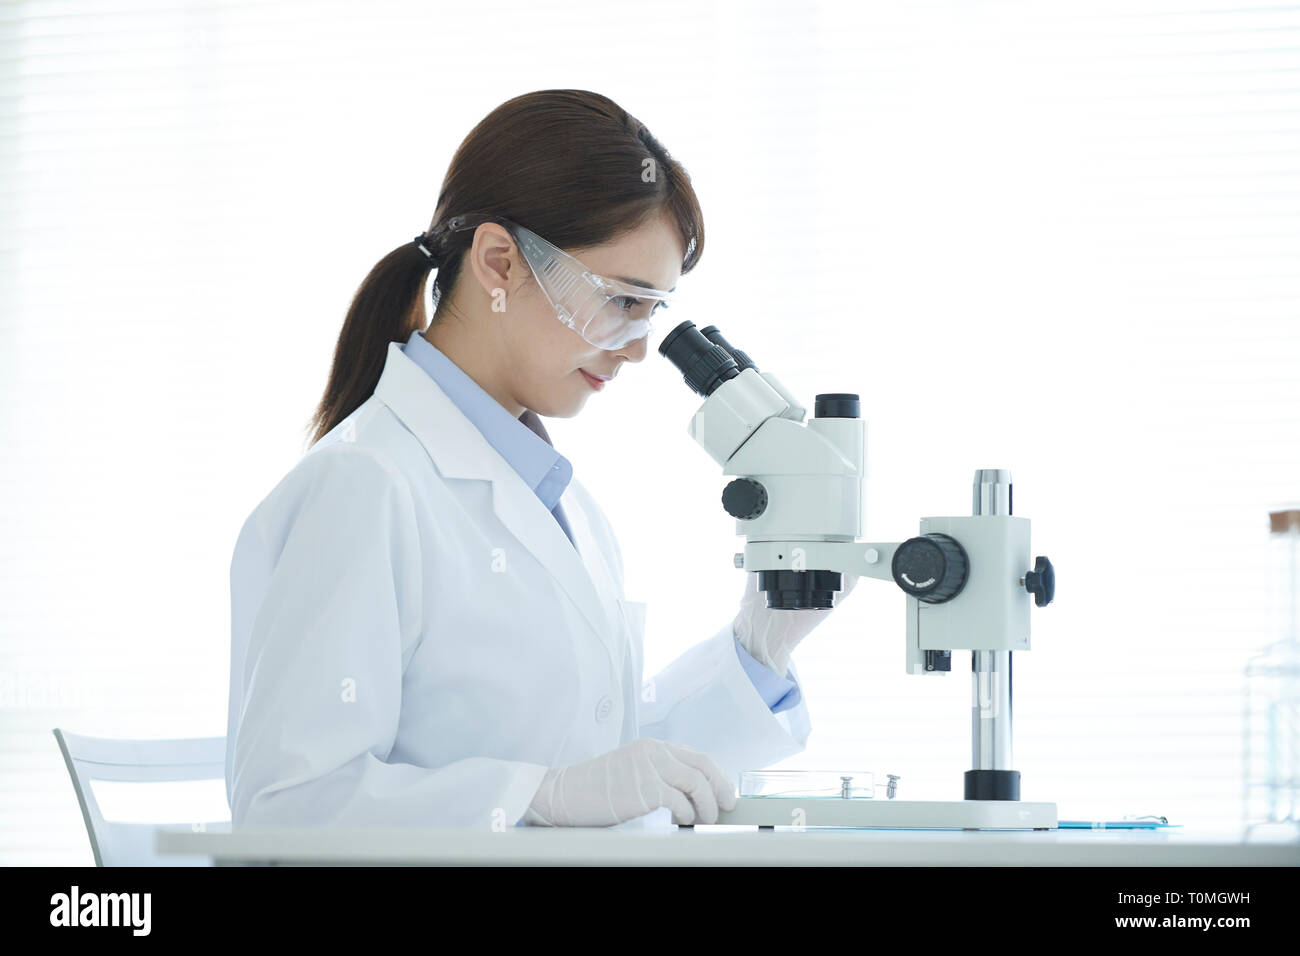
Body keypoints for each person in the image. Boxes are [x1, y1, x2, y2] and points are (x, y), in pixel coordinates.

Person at [224, 89, 856, 831]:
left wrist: (758, 649)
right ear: (499, 262)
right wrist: (533, 798)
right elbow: (288, 808)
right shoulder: (366, 485)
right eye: (621, 300)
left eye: (653, 309)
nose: (637, 347)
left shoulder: (563, 505)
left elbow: (608, 767)